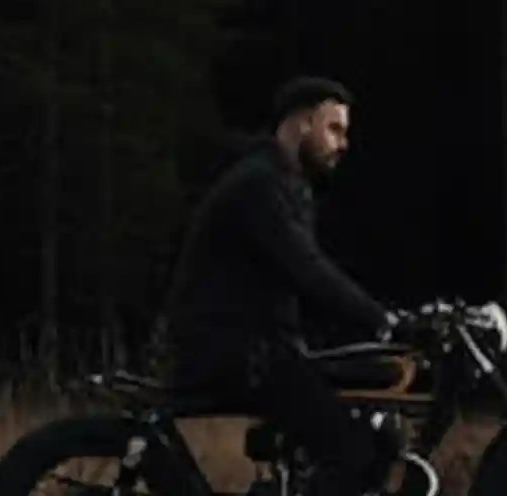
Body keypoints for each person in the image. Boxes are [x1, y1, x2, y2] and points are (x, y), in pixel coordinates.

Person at [162, 76, 403, 496]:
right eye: (334, 129)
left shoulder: (285, 184)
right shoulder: (260, 185)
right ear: (302, 123)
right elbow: (306, 270)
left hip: (259, 346)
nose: (343, 144)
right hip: (235, 350)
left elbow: (297, 285)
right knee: (351, 453)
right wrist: (381, 320)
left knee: (372, 429)